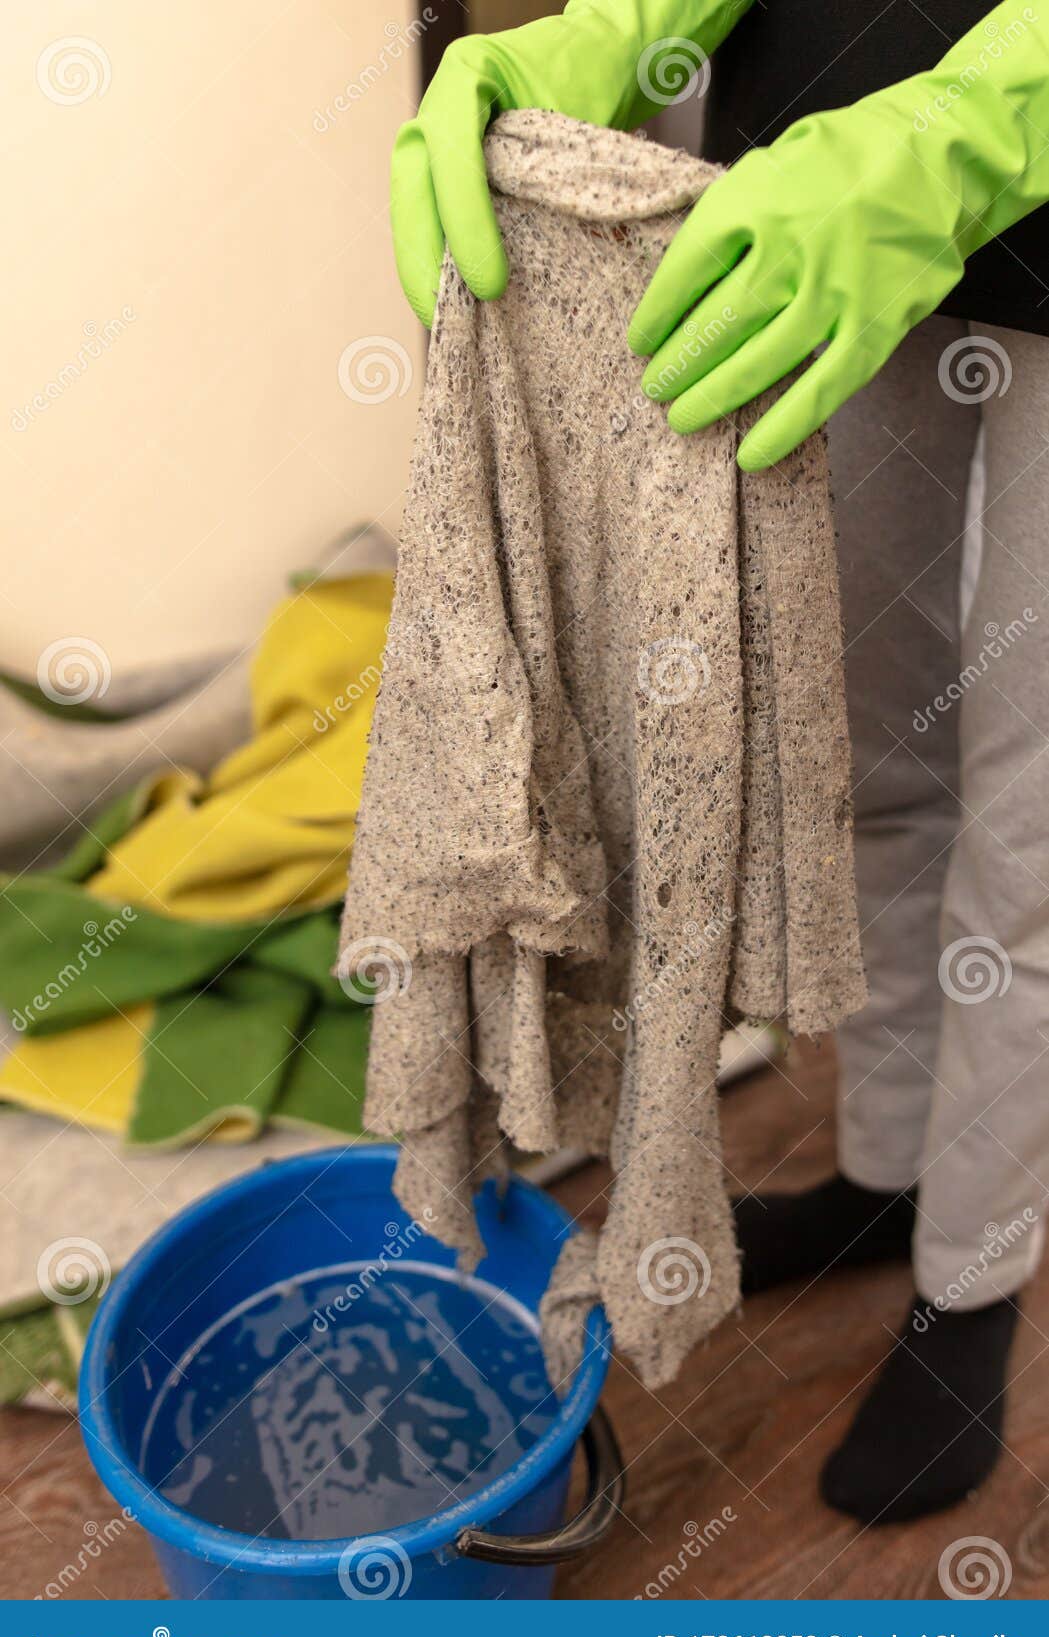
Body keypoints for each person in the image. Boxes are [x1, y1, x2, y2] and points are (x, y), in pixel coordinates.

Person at [389, 0, 1049, 1525]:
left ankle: (971, 1280)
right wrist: (625, 26)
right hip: (814, 177)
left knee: (1028, 833)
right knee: (869, 745)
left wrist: (965, 134)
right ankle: (888, 1169)